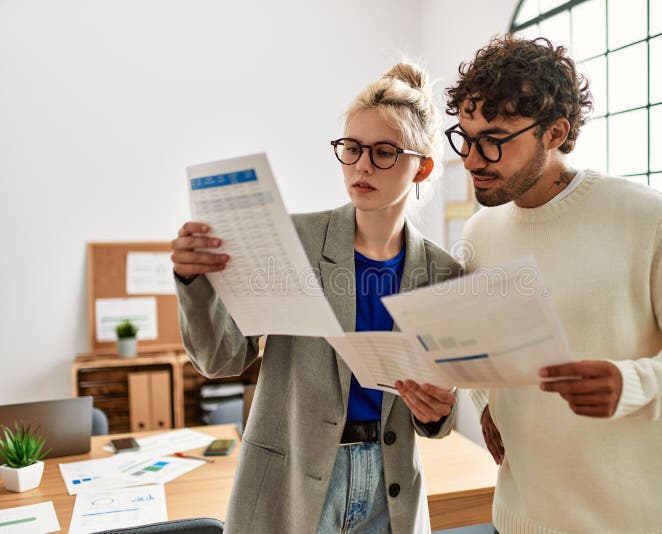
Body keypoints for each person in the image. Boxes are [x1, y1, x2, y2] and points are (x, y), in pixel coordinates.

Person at [444, 35, 662, 533]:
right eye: (467, 136)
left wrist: (632, 383)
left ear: (555, 132)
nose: (474, 159)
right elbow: (483, 350)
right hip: (515, 520)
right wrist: (483, 404)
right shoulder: (480, 233)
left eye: (495, 139)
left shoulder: (646, 217)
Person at [171, 62, 462, 533]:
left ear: (422, 166)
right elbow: (221, 358)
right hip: (290, 484)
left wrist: (439, 410)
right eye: (352, 148)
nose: (362, 165)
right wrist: (193, 283)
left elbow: (439, 417)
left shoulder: (443, 272)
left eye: (384, 152)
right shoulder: (295, 241)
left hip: (390, 489)